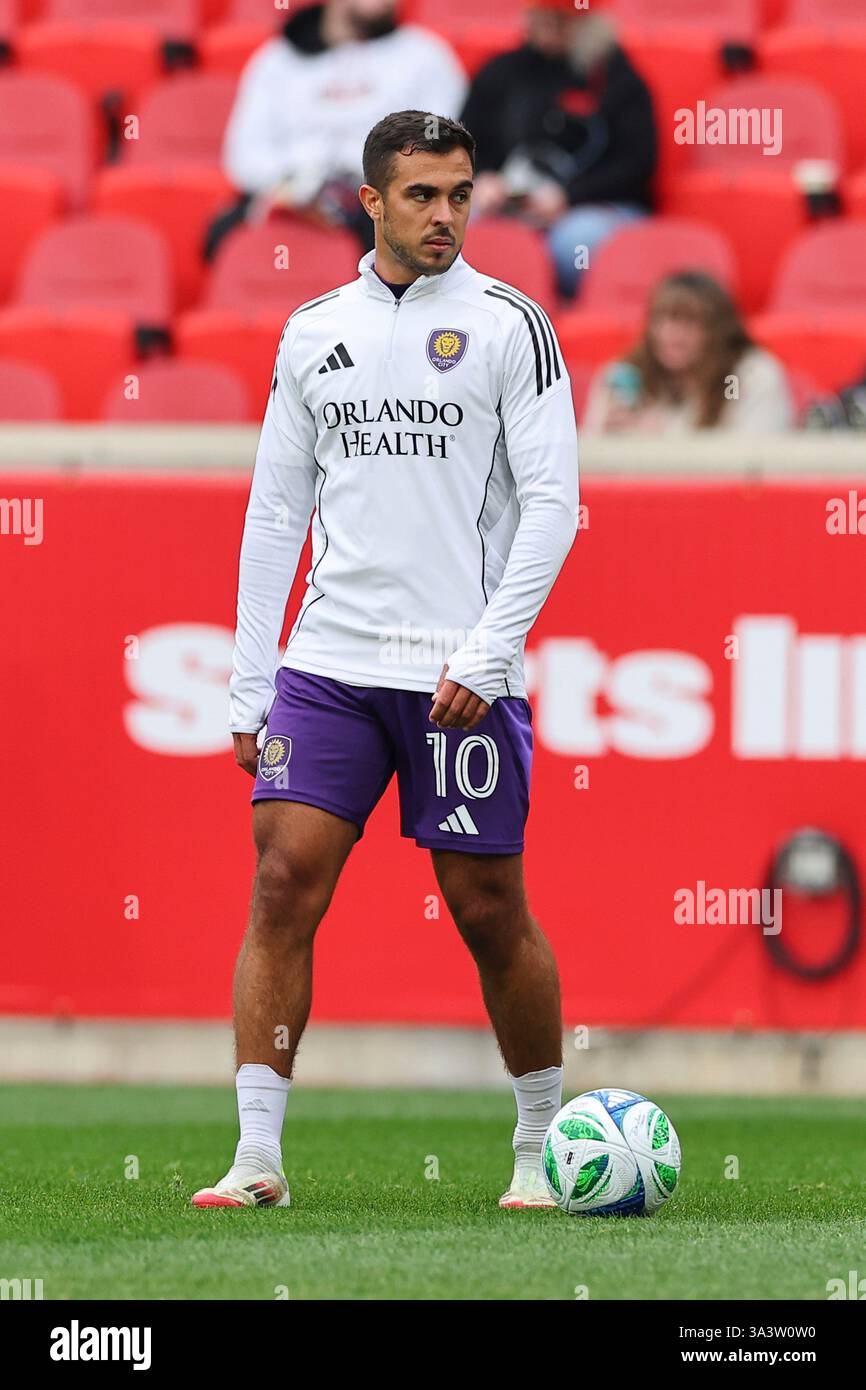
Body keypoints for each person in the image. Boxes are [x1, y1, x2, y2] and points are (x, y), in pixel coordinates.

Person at [192, 110, 580, 1213]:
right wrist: (250, 681)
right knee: (279, 883)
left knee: (486, 908)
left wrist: (490, 648)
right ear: (369, 201)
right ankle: (256, 1156)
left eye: (459, 193)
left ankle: (538, 1144)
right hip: (329, 665)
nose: (445, 215)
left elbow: (554, 506)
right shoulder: (313, 328)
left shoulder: (513, 325)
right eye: (421, 195)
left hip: (460, 670)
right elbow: (275, 514)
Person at [218, 0, 467, 253]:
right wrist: (299, 184)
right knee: (226, 234)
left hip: (377, 197)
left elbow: (441, 150)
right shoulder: (277, 59)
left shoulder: (427, 56)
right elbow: (245, 155)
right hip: (289, 191)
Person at [461, 0, 656, 300]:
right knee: (450, 224)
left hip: (595, 204)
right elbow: (464, 138)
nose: (549, 30)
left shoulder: (617, 79)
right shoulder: (501, 70)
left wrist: (568, 196)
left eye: (561, 21)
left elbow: (636, 163)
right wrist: (483, 178)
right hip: (511, 199)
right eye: (543, 19)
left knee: (573, 244)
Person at [583, 271, 794, 433]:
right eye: (661, 320)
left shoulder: (755, 376)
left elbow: (759, 463)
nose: (671, 335)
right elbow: (583, 466)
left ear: (719, 329)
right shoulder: (622, 377)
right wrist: (606, 433)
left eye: (688, 322)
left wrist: (656, 440)